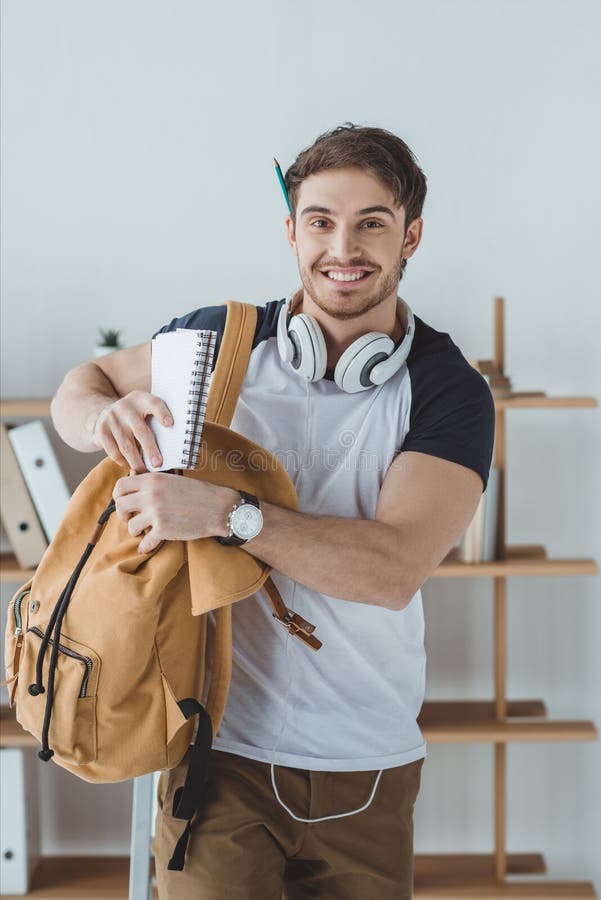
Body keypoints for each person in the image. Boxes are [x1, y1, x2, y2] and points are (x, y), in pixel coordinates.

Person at [50, 122, 495, 900]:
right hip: (218, 756)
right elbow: (83, 380)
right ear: (291, 231)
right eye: (320, 221)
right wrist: (100, 422)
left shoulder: (447, 391)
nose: (342, 247)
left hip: (367, 767)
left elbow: (391, 570)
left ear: (410, 236)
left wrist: (228, 513)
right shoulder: (220, 343)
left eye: (371, 223)